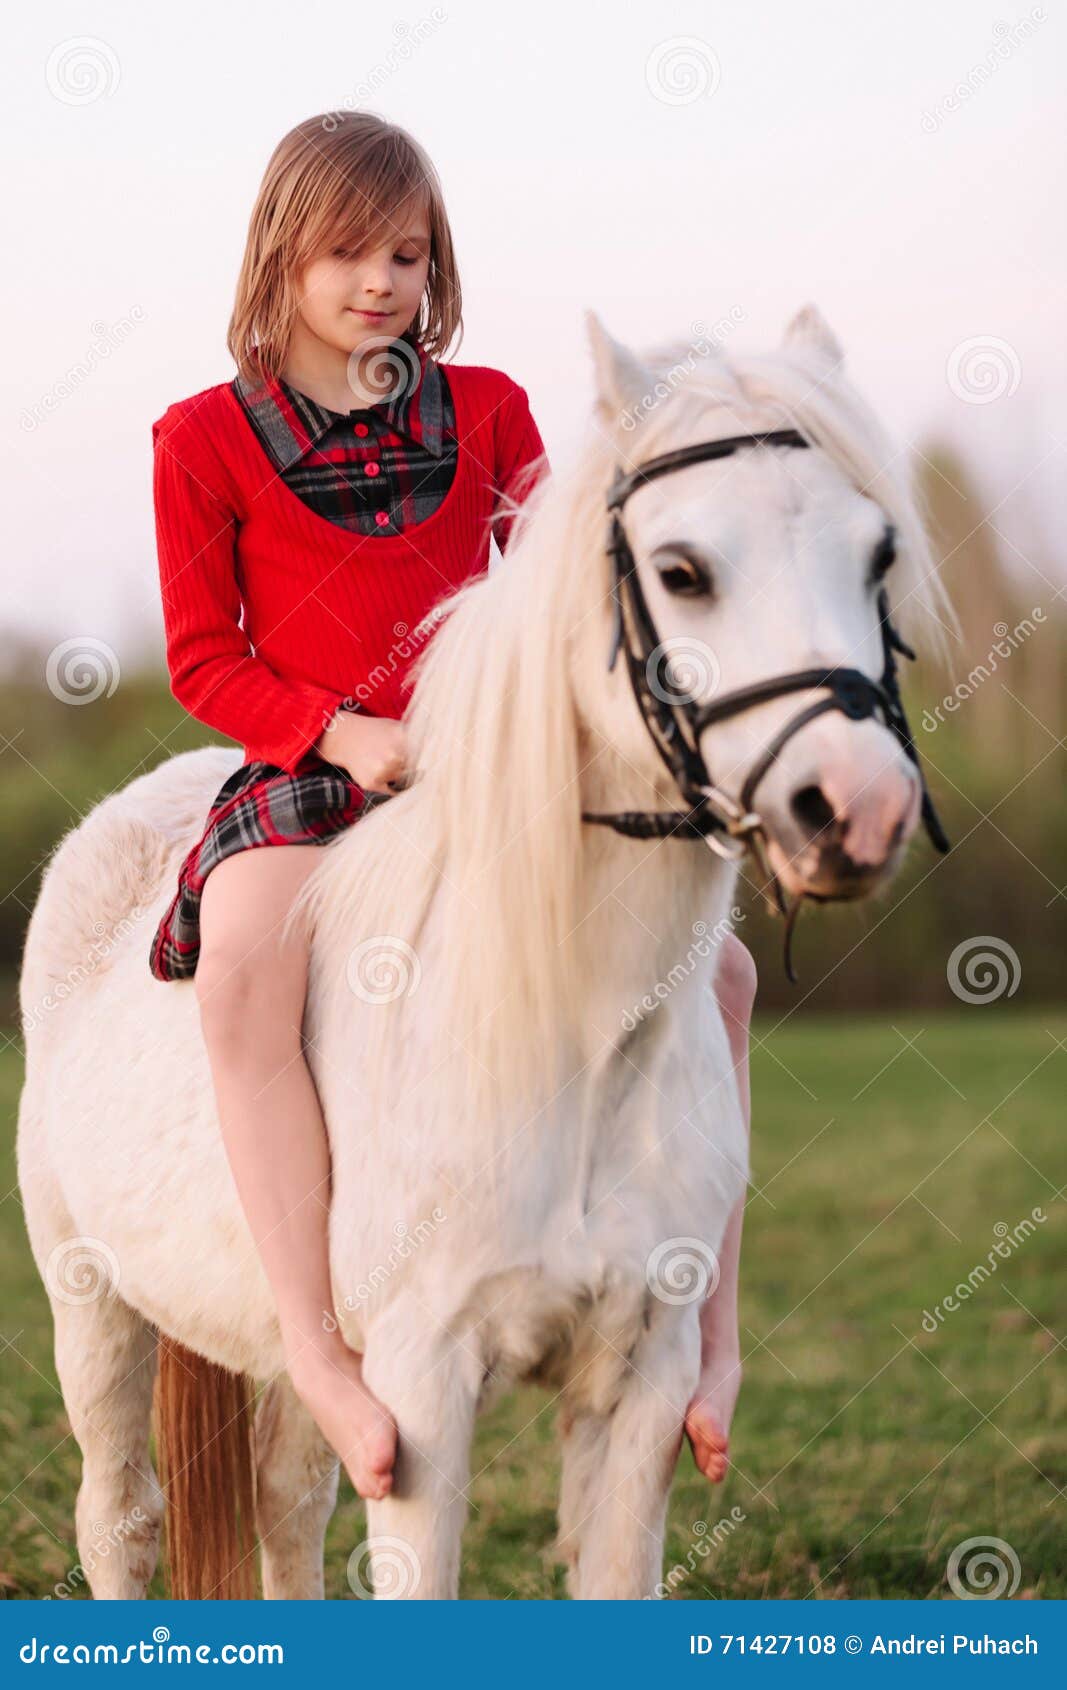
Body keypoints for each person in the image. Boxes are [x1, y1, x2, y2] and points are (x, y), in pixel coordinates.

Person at [148, 110, 756, 1503]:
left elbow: (557, 591)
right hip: (320, 772)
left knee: (712, 965)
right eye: (349, 249)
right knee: (244, 970)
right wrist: (337, 730)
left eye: (408, 254)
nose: (382, 280)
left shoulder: (486, 413)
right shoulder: (201, 440)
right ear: (280, 256)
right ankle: (314, 1335)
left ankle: (709, 1337)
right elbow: (203, 658)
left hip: (490, 773)